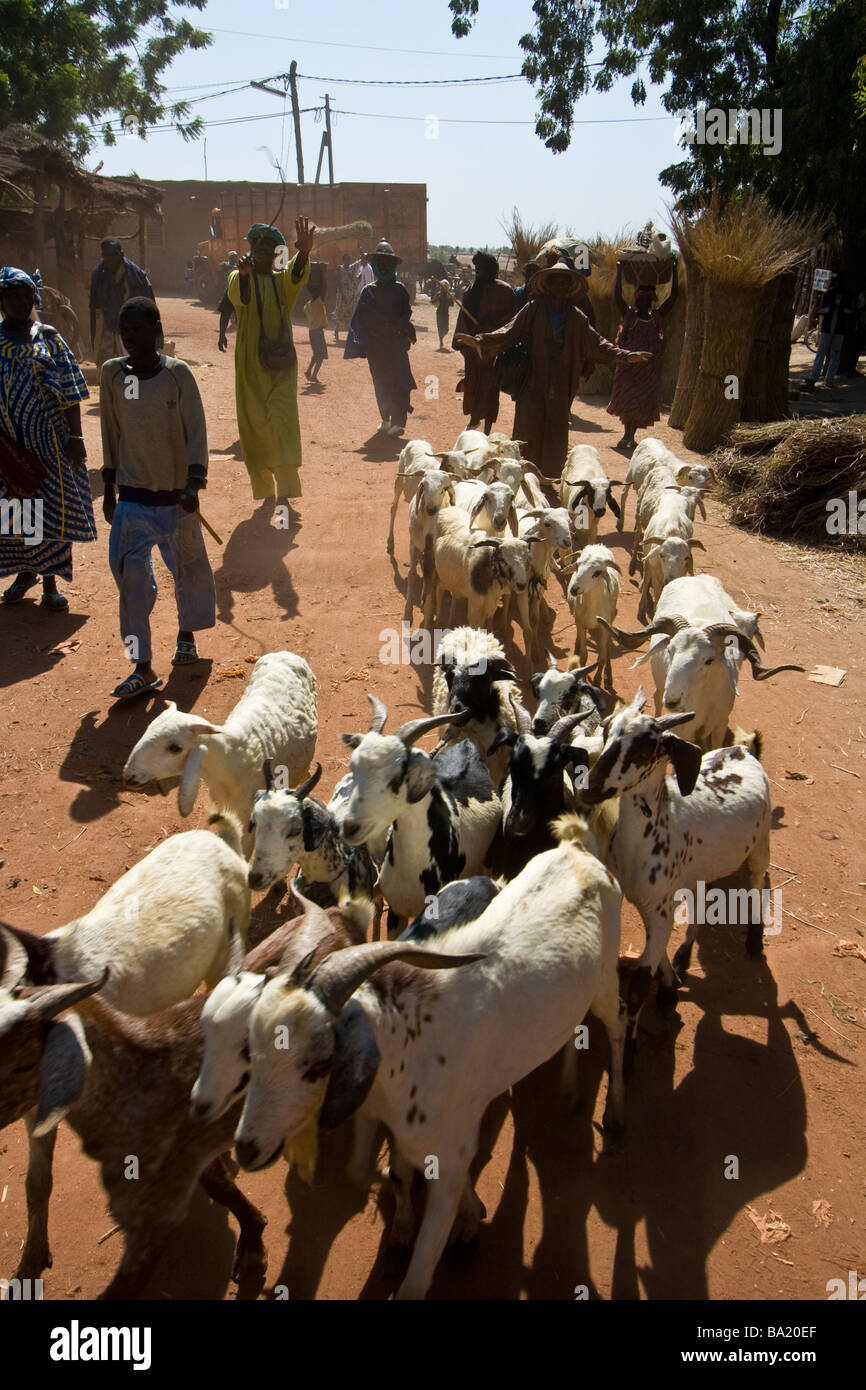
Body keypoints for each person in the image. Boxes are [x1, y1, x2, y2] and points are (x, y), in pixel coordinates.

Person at [100, 297, 215, 700]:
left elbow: (196, 431)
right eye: (123, 329)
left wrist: (193, 483)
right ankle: (142, 666)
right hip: (133, 498)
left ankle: (187, 634)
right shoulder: (112, 375)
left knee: (187, 569)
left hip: (175, 499)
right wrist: (110, 488)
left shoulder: (177, 375)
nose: (128, 336)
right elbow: (111, 434)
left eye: (136, 328)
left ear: (156, 328)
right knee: (130, 582)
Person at [456, 259, 652, 475]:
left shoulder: (576, 318)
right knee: (528, 426)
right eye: (555, 282)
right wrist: (480, 340)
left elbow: (597, 343)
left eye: (564, 283)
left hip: (560, 384)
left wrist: (625, 355)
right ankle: (522, 475)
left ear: (569, 288)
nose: (559, 287)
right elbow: (509, 332)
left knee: (556, 430)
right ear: (548, 285)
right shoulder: (534, 309)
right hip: (533, 380)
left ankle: (548, 477)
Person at [0, 267, 96, 611]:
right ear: (2, 300)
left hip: (49, 444)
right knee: (16, 510)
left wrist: (75, 437)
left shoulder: (49, 337)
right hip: (8, 446)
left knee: (51, 509)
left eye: (27, 295)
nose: (22, 302)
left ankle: (50, 582)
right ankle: (26, 572)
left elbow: (70, 390)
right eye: (13, 296)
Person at [218, 217, 314, 506]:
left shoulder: (281, 282)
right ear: (249, 250)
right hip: (251, 366)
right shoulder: (237, 277)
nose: (262, 253)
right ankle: (264, 490)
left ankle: (285, 492)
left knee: (282, 421)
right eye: (257, 247)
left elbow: (297, 276)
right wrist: (245, 274)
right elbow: (239, 296)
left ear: (276, 254)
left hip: (283, 364)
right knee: (255, 425)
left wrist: (305, 252)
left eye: (269, 248)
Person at [607, 257, 679, 450]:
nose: (645, 300)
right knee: (628, 399)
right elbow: (617, 296)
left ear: (653, 298)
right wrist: (620, 271)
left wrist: (675, 271)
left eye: (649, 297)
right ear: (637, 297)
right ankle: (627, 435)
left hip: (648, 370)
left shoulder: (657, 317)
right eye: (642, 297)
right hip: (629, 367)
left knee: (641, 402)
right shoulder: (629, 314)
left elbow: (673, 297)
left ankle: (631, 435)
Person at [345, 240, 415, 437]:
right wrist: (368, 336)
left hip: (396, 346)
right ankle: (385, 418)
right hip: (377, 347)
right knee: (381, 382)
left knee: (400, 381)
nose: (383, 265)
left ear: (393, 265)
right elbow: (361, 317)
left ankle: (399, 422)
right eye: (380, 262)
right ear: (375, 265)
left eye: (387, 262)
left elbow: (406, 311)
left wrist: (399, 326)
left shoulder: (400, 289)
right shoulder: (368, 291)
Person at [453, 251, 517, 433]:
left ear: (491, 269)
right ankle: (474, 420)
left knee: (490, 389)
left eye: (482, 268)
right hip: (473, 349)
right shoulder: (470, 291)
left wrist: (490, 329)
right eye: (477, 269)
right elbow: (463, 320)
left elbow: (510, 321)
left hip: (493, 350)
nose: (478, 272)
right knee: (473, 384)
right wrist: (465, 342)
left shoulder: (504, 291)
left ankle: (487, 428)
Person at [89, 237, 156, 368]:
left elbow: (148, 305)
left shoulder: (135, 276)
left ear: (121, 254)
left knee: (132, 364)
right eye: (106, 256)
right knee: (104, 364)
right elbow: (94, 304)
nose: (109, 259)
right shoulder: (98, 274)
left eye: (113, 255)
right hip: (106, 324)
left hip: (129, 325)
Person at [807, 272, 855, 389]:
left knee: (835, 355)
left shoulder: (847, 296)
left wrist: (841, 309)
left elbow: (850, 311)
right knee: (821, 353)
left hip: (839, 329)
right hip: (827, 328)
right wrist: (832, 308)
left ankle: (829, 379)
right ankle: (814, 376)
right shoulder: (829, 295)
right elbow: (822, 309)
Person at [304, 266, 329, 382]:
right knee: (321, 355)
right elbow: (324, 287)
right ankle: (313, 375)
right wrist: (322, 272)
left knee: (316, 354)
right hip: (318, 332)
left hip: (311, 332)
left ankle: (309, 371)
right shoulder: (319, 301)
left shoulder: (307, 305)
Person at [334, 253, 358, 343]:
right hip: (341, 295)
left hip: (350, 295)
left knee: (349, 313)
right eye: (346, 260)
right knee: (339, 312)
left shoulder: (352, 269)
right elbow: (339, 282)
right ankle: (336, 330)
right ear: (344, 260)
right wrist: (342, 294)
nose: (348, 262)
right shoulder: (339, 268)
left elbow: (353, 281)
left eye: (349, 260)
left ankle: (349, 334)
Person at [432, 279, 454, 350]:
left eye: (445, 287)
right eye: (442, 287)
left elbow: (452, 304)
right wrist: (438, 298)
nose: (443, 288)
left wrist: (450, 298)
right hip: (439, 314)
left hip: (445, 314)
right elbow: (432, 302)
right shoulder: (438, 294)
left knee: (446, 329)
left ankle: (442, 337)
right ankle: (441, 340)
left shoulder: (449, 295)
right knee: (440, 328)